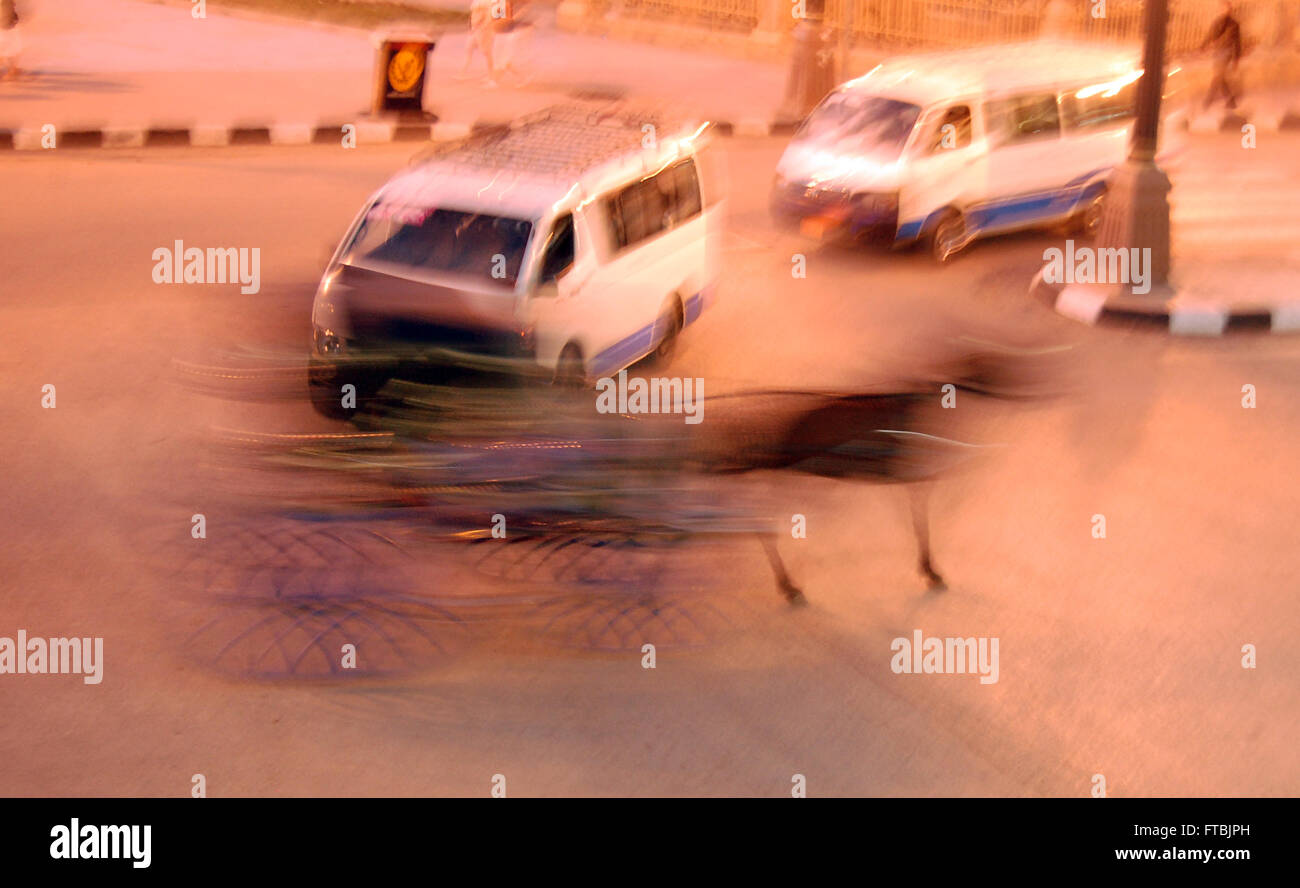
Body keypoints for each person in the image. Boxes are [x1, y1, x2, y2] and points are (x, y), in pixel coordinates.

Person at [1201, 0, 1244, 111]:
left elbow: (1237, 43)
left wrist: (1236, 59)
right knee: (1220, 78)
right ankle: (1231, 103)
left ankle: (1207, 103)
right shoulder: (1216, 22)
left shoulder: (1234, 24)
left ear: (1230, 10)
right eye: (1224, 8)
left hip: (1226, 53)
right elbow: (1210, 35)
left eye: (1228, 8)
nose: (1226, 10)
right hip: (1217, 52)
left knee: (1217, 77)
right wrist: (1203, 46)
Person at [459, 0, 500, 87]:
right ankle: (463, 74)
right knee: (471, 50)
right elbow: (473, 15)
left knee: (488, 54)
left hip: (484, 30)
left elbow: (493, 15)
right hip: (476, 30)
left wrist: (485, 27)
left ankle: (492, 80)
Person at [0, 0, 22, 82]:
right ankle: (13, 69)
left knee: (11, 48)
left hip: (7, 25)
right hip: (6, 26)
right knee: (8, 49)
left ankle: (13, 69)